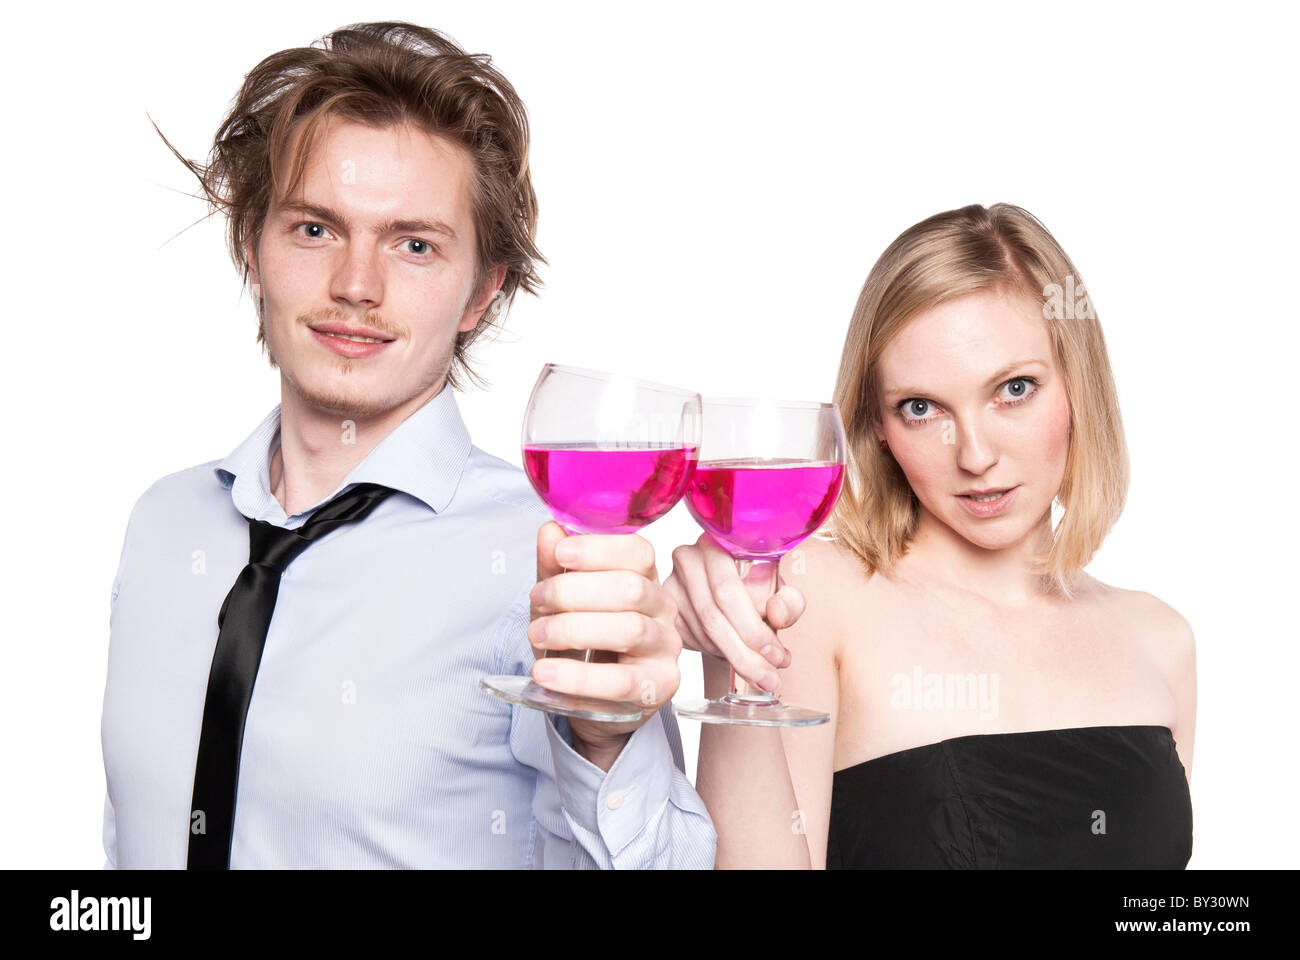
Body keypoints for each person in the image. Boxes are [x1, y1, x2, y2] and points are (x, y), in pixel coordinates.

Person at [101, 21, 715, 869]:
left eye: (415, 244)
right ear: (253, 246)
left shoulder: (552, 564)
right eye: (315, 229)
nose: (356, 286)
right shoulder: (165, 523)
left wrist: (610, 742)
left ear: (480, 295)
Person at [665, 203, 1195, 868]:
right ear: (878, 428)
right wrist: (732, 645)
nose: (974, 454)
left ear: (1076, 383)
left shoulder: (1159, 639)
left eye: (1014, 389)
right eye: (921, 408)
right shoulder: (812, 598)